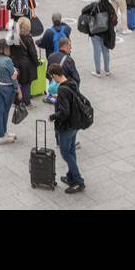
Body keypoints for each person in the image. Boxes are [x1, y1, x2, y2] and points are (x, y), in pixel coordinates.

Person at [48, 63, 87, 193]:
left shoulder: (62, 89)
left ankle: (78, 181)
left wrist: (53, 116)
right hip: (75, 124)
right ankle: (71, 177)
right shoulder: (72, 82)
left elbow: (65, 112)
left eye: (52, 77)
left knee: (66, 153)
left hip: (67, 126)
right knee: (71, 151)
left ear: (54, 75)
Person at [0, 39, 21, 143]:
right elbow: (13, 77)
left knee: (0, 111)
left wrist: (14, 72)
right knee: (5, 111)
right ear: (3, 49)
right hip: (8, 88)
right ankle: (3, 135)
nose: (9, 49)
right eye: (7, 47)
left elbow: (11, 71)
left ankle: (3, 133)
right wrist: (18, 90)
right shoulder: (7, 60)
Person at [10, 17, 39, 104]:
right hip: (26, 66)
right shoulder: (28, 39)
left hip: (15, 63)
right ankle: (26, 102)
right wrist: (36, 63)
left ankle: (16, 100)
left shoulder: (13, 37)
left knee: (17, 82)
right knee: (26, 84)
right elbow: (33, 54)